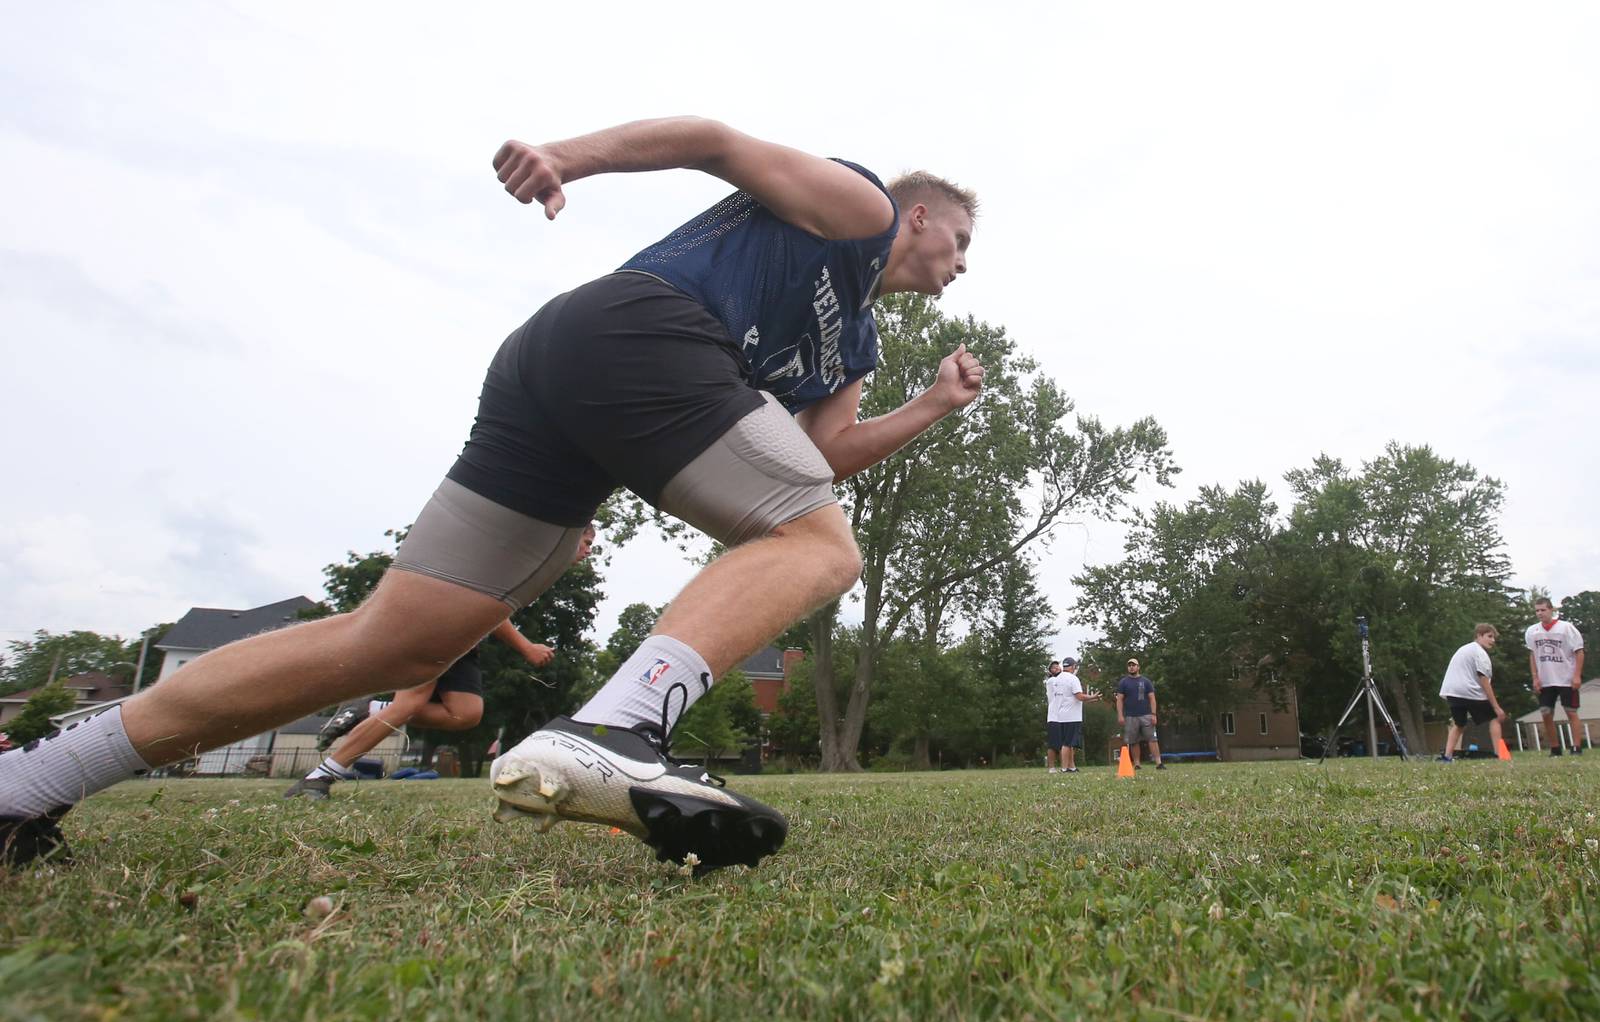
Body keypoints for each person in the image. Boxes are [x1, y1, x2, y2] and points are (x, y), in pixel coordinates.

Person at [1, 117, 983, 870]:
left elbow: (818, 459)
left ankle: (28, 783)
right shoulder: (859, 209)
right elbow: (713, 141)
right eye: (963, 243)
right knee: (824, 548)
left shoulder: (851, 344)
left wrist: (931, 405)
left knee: (395, 642)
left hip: (566, 377)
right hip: (630, 326)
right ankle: (619, 728)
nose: (961, 267)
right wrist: (565, 156)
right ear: (922, 216)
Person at [283, 525, 595, 799]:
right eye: (587, 541)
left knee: (465, 714)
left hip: (464, 636)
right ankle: (319, 778)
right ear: (567, 537)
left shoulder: (541, 569)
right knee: (408, 703)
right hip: (436, 621)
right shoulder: (527, 559)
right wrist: (526, 647)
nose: (588, 550)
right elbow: (490, 604)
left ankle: (370, 708)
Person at [1436, 624, 1508, 763]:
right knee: (1495, 718)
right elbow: (1484, 681)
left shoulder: (1464, 649)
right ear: (1479, 636)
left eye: (1493, 637)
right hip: (1469, 691)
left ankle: (1447, 757)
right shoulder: (1480, 653)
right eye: (1489, 636)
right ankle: (1499, 756)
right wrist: (1496, 707)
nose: (1493, 640)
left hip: (1452, 691)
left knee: (1459, 724)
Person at [1526, 596, 1586, 756]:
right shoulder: (1532, 631)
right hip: (1546, 679)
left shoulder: (1566, 628)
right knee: (1545, 712)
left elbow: (1579, 651)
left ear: (1551, 610)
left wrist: (1577, 675)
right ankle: (1555, 747)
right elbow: (1532, 654)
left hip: (1566, 677)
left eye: (1543, 610)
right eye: (1537, 611)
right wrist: (1535, 677)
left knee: (1571, 711)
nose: (1540, 613)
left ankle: (1576, 747)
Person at [1116, 658, 1163, 769]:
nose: (1131, 667)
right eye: (1129, 665)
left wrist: (1153, 714)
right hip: (1130, 716)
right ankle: (1137, 764)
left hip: (1146, 715)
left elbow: (1152, 698)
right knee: (1133, 741)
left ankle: (1159, 763)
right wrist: (1120, 715)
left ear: (1138, 667)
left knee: (1152, 739)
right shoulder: (1123, 682)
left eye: (1134, 665)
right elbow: (1119, 700)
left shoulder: (1146, 681)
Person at [1057, 657, 1099, 772]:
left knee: (1069, 743)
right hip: (1072, 716)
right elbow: (1079, 696)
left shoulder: (1058, 679)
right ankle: (1064, 768)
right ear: (1072, 666)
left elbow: (1069, 698)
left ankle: (1071, 767)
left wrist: (1090, 700)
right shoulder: (1073, 679)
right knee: (1067, 744)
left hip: (1061, 715)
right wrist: (1092, 696)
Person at [1043, 660, 1066, 773]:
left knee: (1063, 744)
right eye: (1053, 667)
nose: (1056, 668)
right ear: (1050, 671)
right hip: (1054, 717)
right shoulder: (1052, 681)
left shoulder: (1062, 679)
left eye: (1057, 666)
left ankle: (1064, 767)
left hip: (1063, 716)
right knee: (1053, 744)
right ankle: (1051, 767)